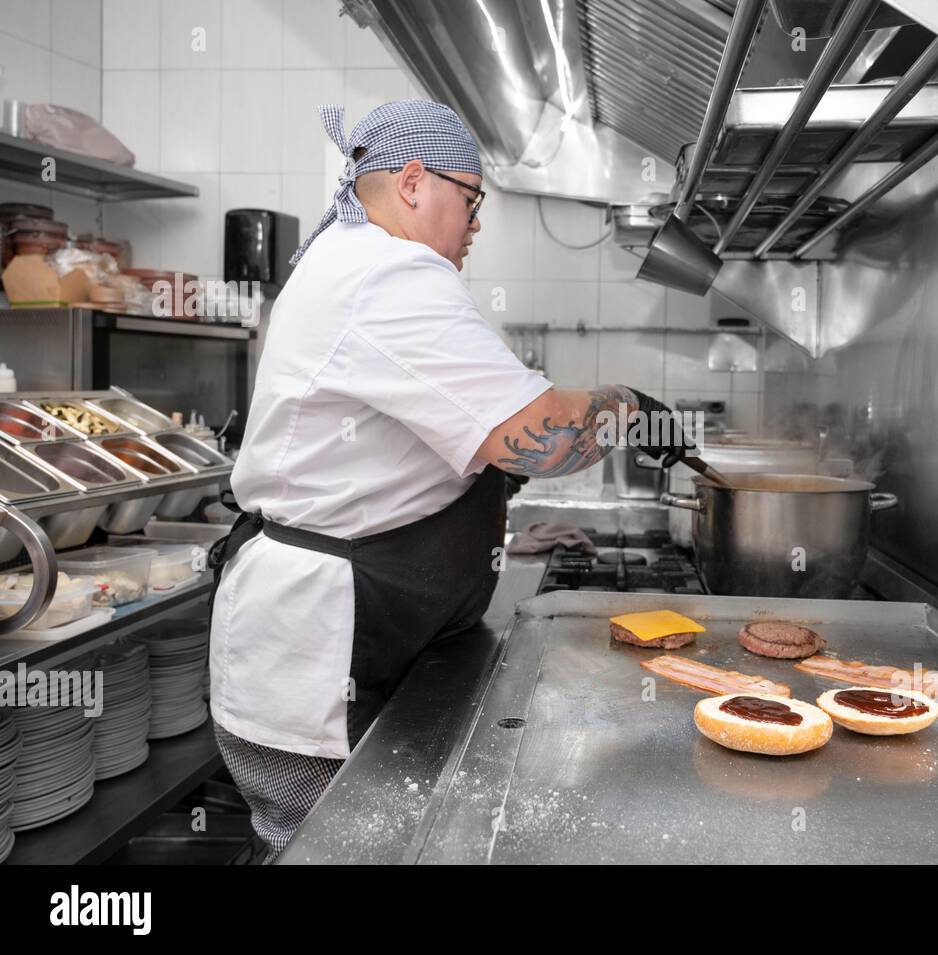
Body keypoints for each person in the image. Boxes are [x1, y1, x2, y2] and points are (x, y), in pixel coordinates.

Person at [206, 100, 689, 861]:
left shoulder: (350, 263)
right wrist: (629, 406)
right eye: (471, 201)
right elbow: (539, 438)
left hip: (318, 648)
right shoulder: (387, 275)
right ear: (410, 182)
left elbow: (402, 448)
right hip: (320, 663)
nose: (474, 224)